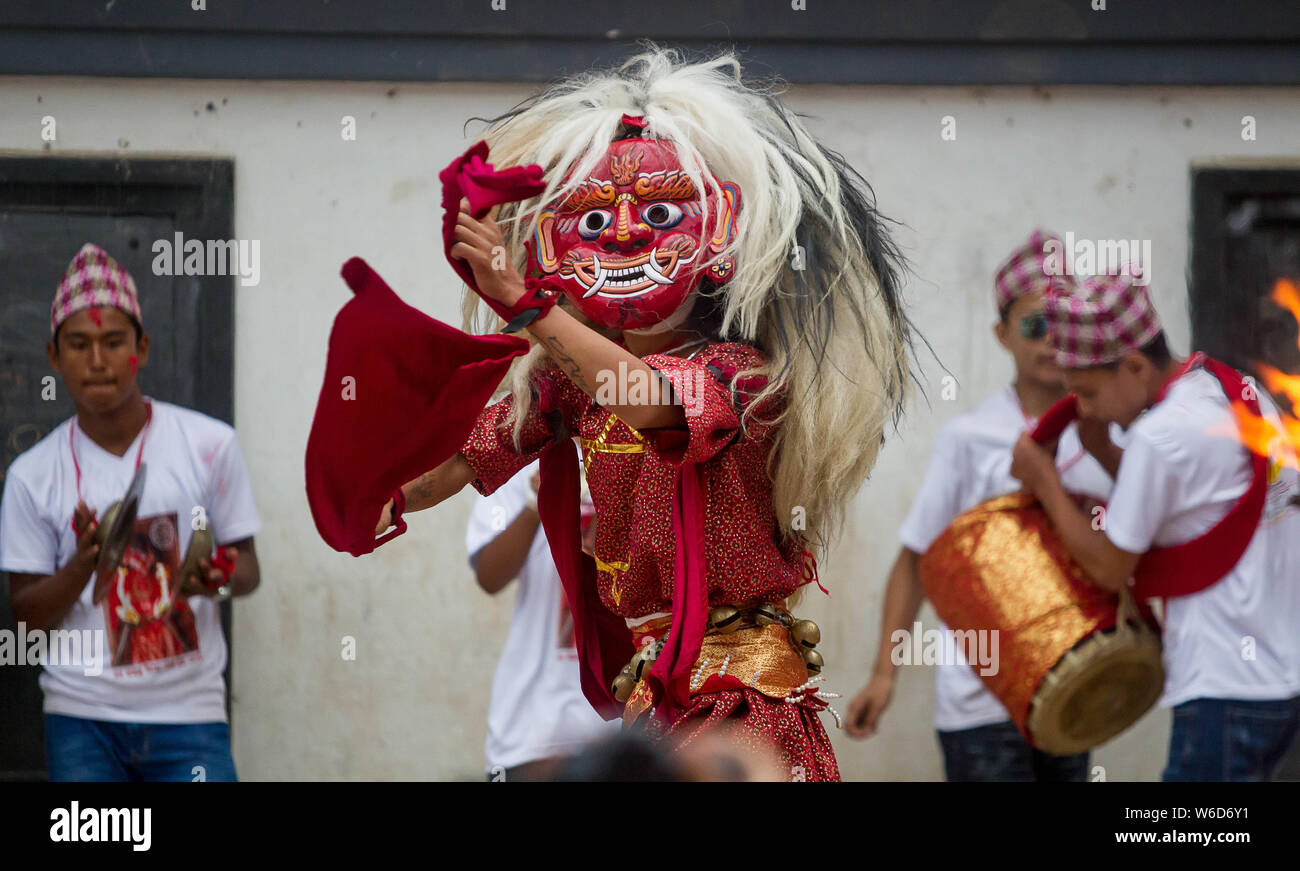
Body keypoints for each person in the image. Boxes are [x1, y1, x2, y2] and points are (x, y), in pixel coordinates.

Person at [354, 46, 914, 781]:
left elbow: (649, 401)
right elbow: (462, 460)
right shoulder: (571, 383)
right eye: (592, 218)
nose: (622, 235)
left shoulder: (740, 377)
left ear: (719, 236)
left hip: (743, 703)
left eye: (655, 212)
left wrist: (527, 306)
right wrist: (374, 498)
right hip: (653, 699)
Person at [1010, 267, 1300, 781]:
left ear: (1136, 365)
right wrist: (1102, 451)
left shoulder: (1159, 435)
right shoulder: (1230, 391)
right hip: (1275, 682)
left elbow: (1108, 567)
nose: (1083, 408)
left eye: (1089, 393)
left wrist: (1044, 481)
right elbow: (1183, 502)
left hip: (1222, 688)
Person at [846, 230, 1114, 781]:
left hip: (1076, 688)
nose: (1050, 343)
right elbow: (916, 559)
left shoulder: (1106, 439)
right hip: (981, 704)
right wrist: (884, 675)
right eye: (1035, 325)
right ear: (1002, 334)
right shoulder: (970, 438)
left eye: (1064, 326)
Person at [0, 243, 262, 782]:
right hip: (81, 716)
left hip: (190, 714)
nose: (97, 360)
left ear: (140, 347)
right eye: (79, 344)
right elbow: (24, 619)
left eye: (114, 342)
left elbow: (249, 570)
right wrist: (84, 565)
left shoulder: (210, 445)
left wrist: (215, 579)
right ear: (54, 357)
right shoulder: (32, 474)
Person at [466, 459, 620, 781]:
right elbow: (489, 575)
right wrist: (535, 501)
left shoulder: (647, 448)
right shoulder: (515, 453)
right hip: (532, 728)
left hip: (625, 723)